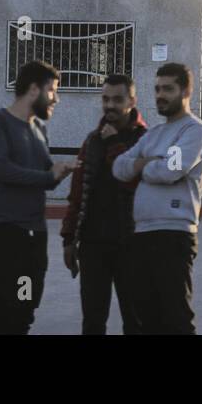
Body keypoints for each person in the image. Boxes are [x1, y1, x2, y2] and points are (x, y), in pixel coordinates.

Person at [0, 60, 76, 335]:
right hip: (4, 236)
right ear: (34, 90)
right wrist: (48, 176)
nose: (57, 98)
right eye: (53, 90)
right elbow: (1, 169)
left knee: (24, 308)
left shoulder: (39, 129)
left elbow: (45, 176)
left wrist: (63, 171)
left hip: (33, 239)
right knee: (1, 310)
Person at [112, 62, 202, 335]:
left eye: (168, 89)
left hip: (173, 236)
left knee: (176, 318)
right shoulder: (154, 134)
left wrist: (142, 164)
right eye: (157, 89)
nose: (160, 95)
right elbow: (119, 167)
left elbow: (172, 170)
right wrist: (150, 162)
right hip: (142, 234)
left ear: (185, 90)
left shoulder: (194, 130)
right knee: (146, 318)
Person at [62, 73, 148, 335]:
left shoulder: (145, 139)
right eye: (105, 99)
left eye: (117, 99)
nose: (110, 105)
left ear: (132, 100)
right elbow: (77, 192)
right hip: (93, 245)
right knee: (93, 321)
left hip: (131, 244)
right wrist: (68, 238)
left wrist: (113, 144)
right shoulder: (92, 141)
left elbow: (136, 181)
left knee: (135, 321)